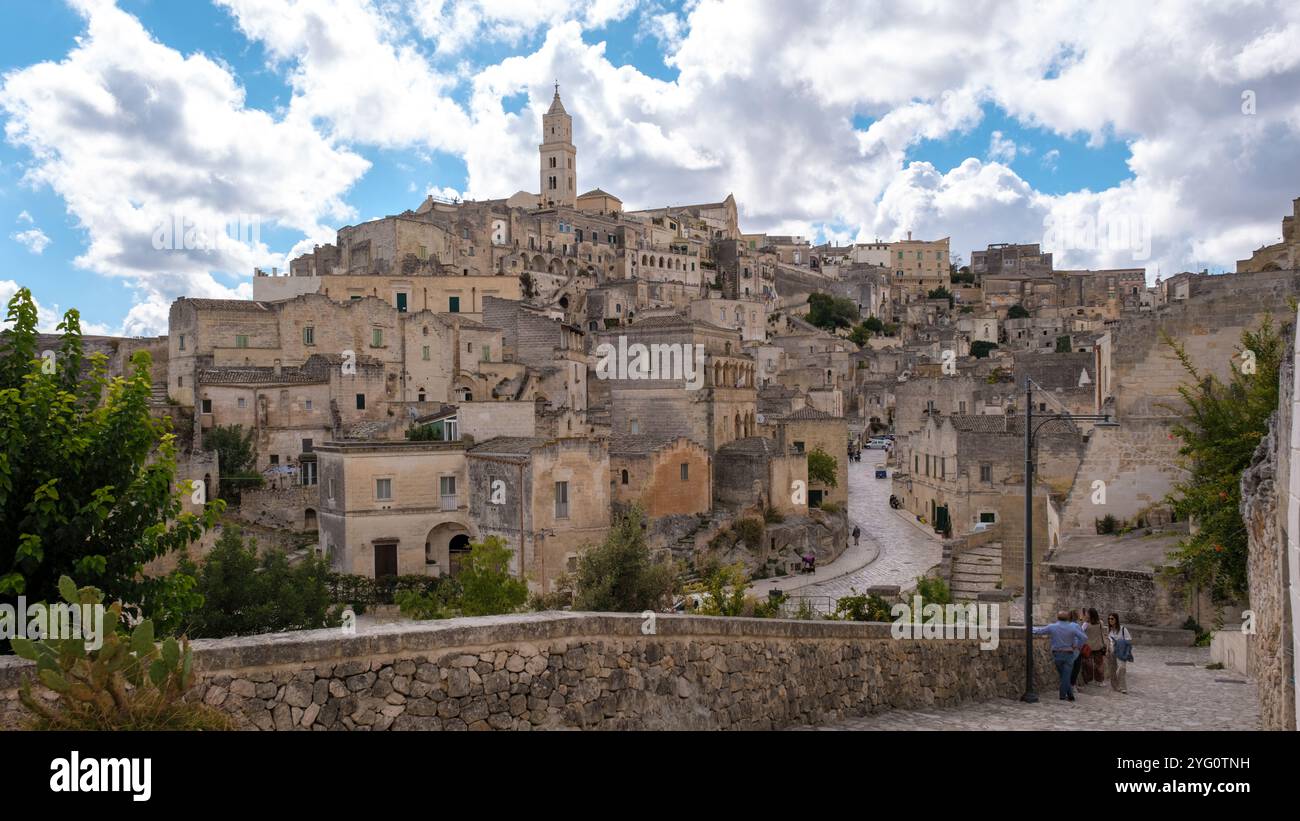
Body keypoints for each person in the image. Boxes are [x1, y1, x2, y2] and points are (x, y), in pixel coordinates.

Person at [1033, 611, 1090, 701]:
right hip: (1069, 654)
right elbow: (1084, 638)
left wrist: (1029, 627)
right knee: (1065, 675)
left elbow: (1039, 631)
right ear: (1068, 618)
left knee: (1064, 675)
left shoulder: (1052, 626)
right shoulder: (1072, 627)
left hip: (1057, 654)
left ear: (1057, 617)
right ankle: (1069, 695)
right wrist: (1078, 646)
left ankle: (1063, 696)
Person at [1106, 613, 1131, 694]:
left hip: (1121, 651)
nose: (1110, 620)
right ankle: (1115, 686)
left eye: (1112, 618)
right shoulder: (1109, 630)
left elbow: (1129, 640)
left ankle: (1123, 687)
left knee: (1122, 668)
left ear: (1116, 619)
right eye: (1109, 619)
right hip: (1112, 651)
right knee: (1112, 669)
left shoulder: (1123, 629)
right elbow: (1108, 641)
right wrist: (1107, 650)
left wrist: (1120, 643)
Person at [1084, 608, 1106, 684]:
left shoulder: (1086, 624)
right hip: (1098, 646)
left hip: (1088, 647)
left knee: (1088, 664)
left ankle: (1089, 679)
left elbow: (1081, 633)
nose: (1086, 614)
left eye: (1087, 613)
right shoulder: (1100, 623)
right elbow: (1102, 633)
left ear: (1090, 614)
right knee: (1099, 664)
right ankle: (1100, 681)